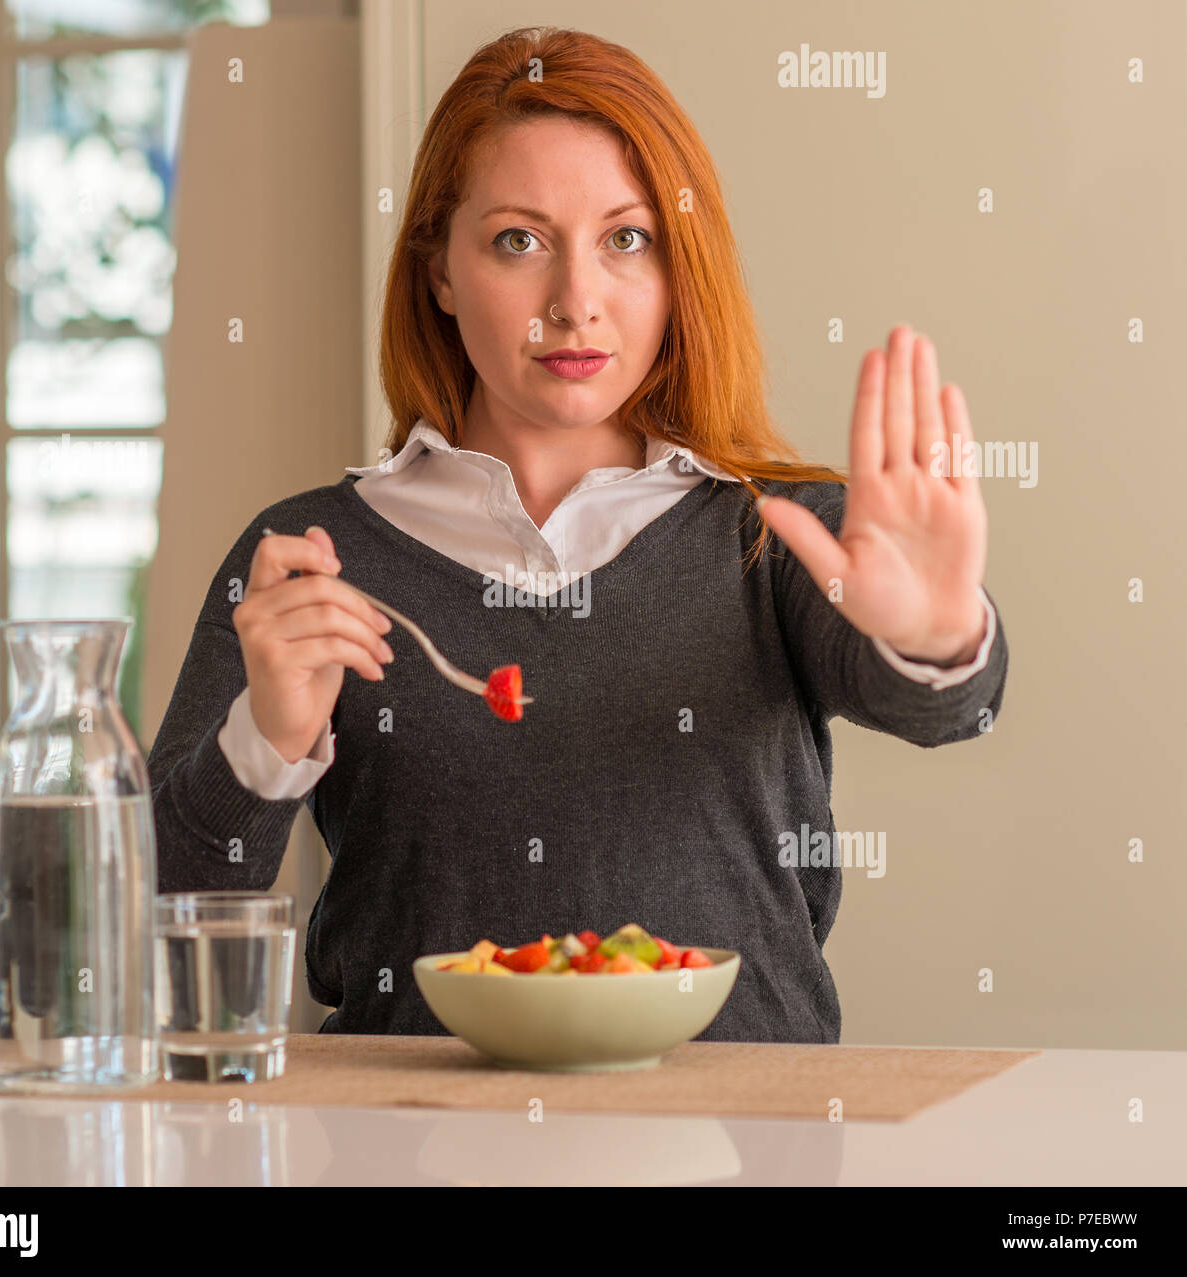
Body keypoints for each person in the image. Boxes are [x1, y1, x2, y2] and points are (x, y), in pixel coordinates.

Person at [147, 26, 1007, 1042]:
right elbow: (154, 910)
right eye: (518, 239)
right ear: (437, 270)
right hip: (404, 1139)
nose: (575, 302)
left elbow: (945, 708)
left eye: (626, 239)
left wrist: (941, 633)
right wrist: (267, 738)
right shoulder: (309, 555)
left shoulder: (777, 534)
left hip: (747, 1142)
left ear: (679, 269)